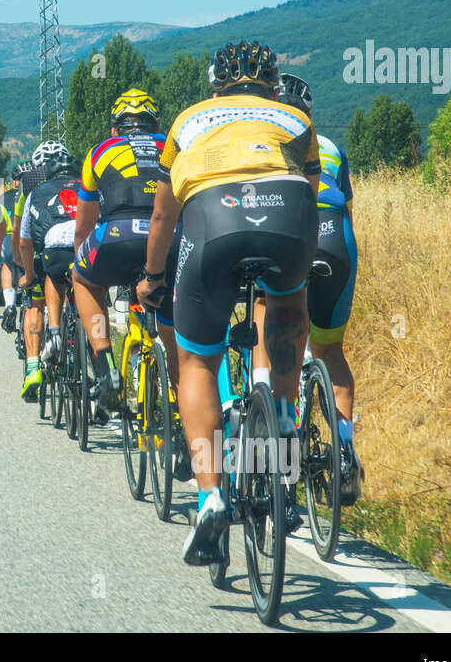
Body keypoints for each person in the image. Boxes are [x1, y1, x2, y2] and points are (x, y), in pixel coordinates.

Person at [136, 41, 320, 566]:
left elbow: (162, 218)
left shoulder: (188, 121)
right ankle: (281, 421)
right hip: (288, 215)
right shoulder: (292, 116)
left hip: (214, 223)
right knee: (285, 301)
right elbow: (313, 187)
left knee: (197, 361)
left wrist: (152, 278)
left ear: (216, 83)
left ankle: (211, 494)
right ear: (272, 80)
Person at [250, 74, 364, 504]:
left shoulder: (263, 141)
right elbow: (346, 205)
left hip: (293, 235)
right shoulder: (331, 147)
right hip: (337, 238)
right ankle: (344, 450)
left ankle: (266, 405)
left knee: (266, 303)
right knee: (330, 352)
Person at [71, 89, 173, 424]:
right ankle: (179, 385)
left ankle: (105, 366)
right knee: (175, 303)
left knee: (82, 278)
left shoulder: (100, 150)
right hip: (170, 238)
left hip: (117, 236)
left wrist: (83, 260)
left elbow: (84, 227)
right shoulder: (173, 147)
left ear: (116, 129)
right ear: (156, 123)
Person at [16, 149, 81, 383]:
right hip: (84, 250)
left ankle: (34, 367)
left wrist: (26, 273)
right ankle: (99, 362)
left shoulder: (30, 188)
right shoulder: (86, 186)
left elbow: (20, 236)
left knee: (35, 299)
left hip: (45, 251)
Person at [0, 161, 29, 334]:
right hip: (31, 240)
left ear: (15, 181)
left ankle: (9, 305)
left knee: (7, 266)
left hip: (9, 240)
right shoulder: (37, 193)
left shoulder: (4, 198)